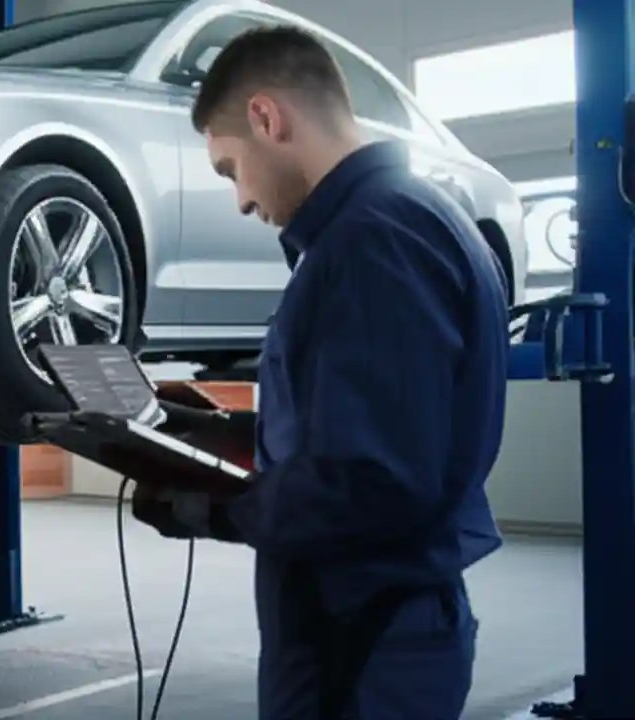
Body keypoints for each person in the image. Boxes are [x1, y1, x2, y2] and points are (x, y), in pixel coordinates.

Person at [131, 24, 509, 720]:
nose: (241, 200)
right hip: (374, 633)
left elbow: (373, 482)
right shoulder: (398, 223)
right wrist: (210, 433)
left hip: (363, 649)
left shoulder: (375, 245)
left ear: (266, 118)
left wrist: (208, 510)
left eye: (229, 169)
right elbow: (348, 428)